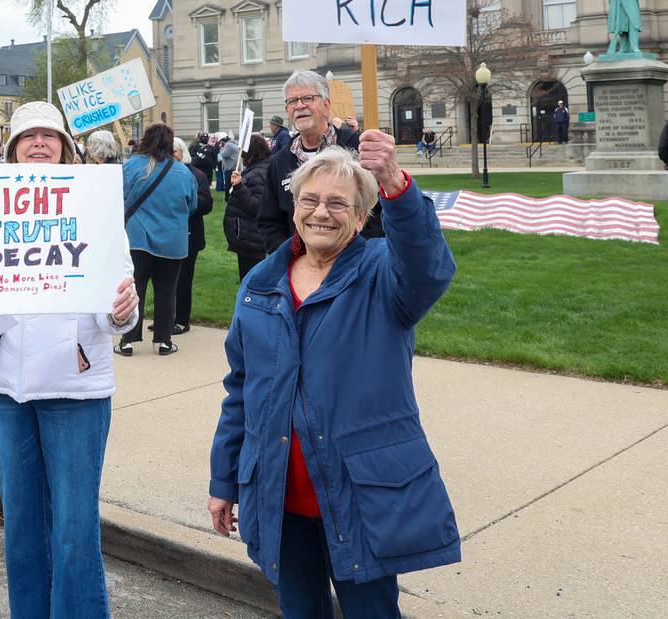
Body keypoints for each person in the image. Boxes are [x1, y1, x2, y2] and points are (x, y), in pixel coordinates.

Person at [208, 134, 459, 617]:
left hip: (361, 497)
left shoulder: (383, 276)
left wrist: (395, 184)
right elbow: (240, 391)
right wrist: (225, 479)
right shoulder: (260, 285)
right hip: (280, 497)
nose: (320, 212)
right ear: (294, 207)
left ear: (362, 218)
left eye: (338, 203)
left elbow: (429, 268)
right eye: (310, 200)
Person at [0, 101, 139, 619]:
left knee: (72, 530)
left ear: (65, 149)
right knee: (20, 528)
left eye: (49, 136)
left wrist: (121, 310)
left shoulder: (94, 210)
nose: (39, 144)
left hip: (75, 391)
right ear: (12, 150)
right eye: (27, 137)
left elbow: (118, 312)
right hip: (10, 393)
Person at [258, 70, 383, 254]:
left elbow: (380, 212)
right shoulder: (279, 162)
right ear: (287, 111)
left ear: (326, 106)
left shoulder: (359, 148)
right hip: (302, 270)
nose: (299, 106)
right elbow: (269, 222)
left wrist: (360, 256)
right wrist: (294, 257)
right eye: (292, 101)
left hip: (356, 267)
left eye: (307, 98)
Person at [117, 123, 199, 357]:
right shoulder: (183, 172)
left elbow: (119, 196)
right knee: (167, 291)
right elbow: (192, 205)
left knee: (135, 290)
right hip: (172, 240)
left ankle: (127, 341)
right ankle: (163, 341)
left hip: (137, 238)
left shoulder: (132, 166)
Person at [172, 136, 215, 336]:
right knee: (166, 280)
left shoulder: (197, 175)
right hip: (167, 235)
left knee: (183, 279)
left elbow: (207, 204)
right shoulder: (162, 174)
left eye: (174, 152)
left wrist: (186, 199)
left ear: (182, 153)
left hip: (189, 235)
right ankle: (166, 318)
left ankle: (182, 319)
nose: (171, 156)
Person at [223, 134, 274, 280]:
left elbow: (258, 206)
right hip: (248, 236)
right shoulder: (256, 169)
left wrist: (239, 187)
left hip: (251, 237)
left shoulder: (259, 173)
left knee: (251, 279)